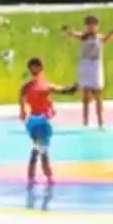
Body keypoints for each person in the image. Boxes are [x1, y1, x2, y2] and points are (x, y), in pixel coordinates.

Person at [19, 57, 77, 186]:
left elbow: (22, 104)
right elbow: (63, 91)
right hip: (41, 122)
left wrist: (22, 111)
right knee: (43, 151)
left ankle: (32, 177)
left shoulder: (27, 86)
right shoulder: (42, 85)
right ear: (39, 69)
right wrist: (73, 88)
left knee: (36, 149)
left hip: (33, 122)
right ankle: (48, 177)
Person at [61, 15, 113, 130]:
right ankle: (85, 121)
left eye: (94, 24)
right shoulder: (83, 37)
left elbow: (110, 37)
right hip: (85, 66)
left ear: (97, 26)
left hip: (95, 66)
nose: (91, 27)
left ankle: (100, 121)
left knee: (98, 93)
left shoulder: (100, 38)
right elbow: (72, 34)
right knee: (85, 95)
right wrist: (67, 31)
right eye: (89, 25)